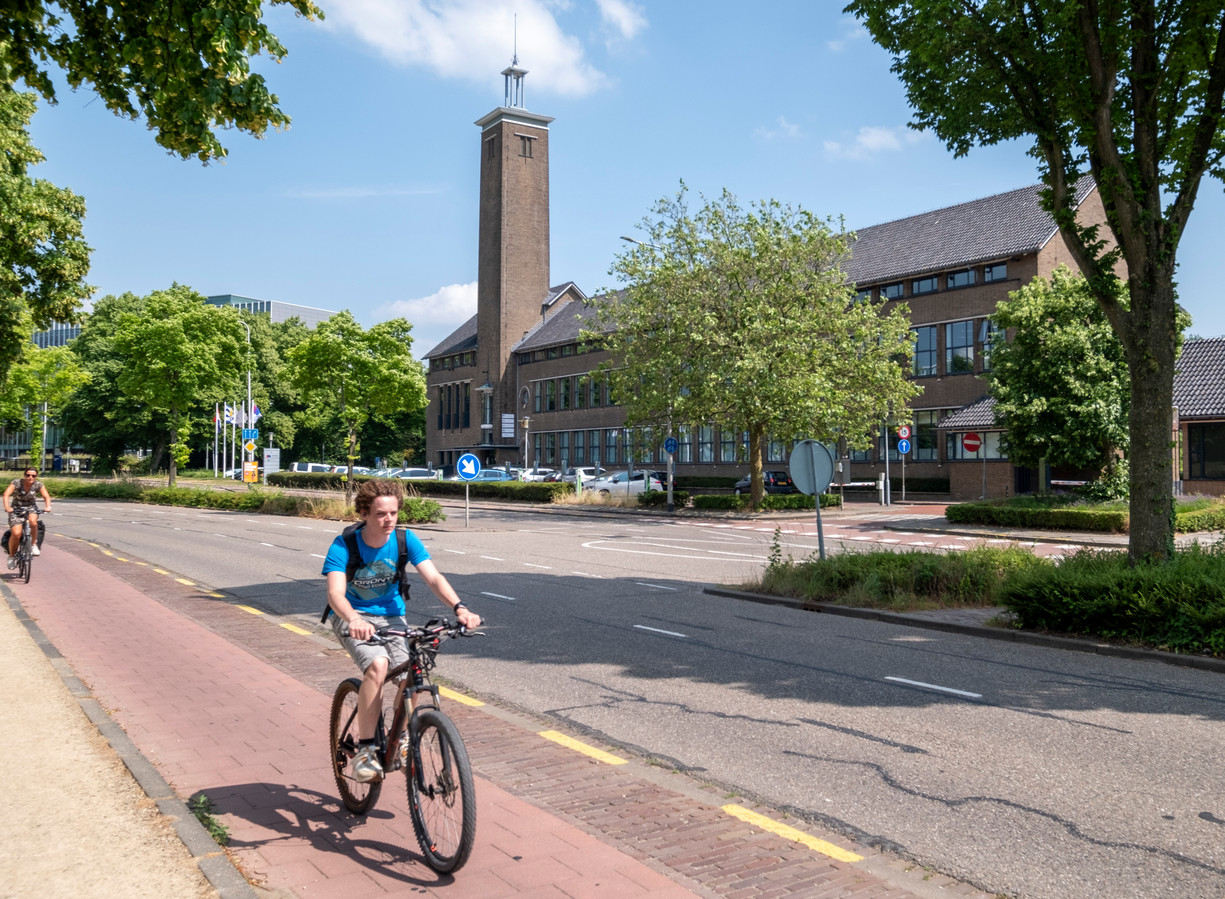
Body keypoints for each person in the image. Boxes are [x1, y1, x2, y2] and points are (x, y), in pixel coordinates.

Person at [323, 478, 480, 783]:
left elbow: (433, 578)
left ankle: (402, 737)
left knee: (413, 671)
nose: (389, 520)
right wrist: (354, 619)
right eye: (381, 514)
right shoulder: (345, 545)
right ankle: (366, 751)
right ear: (364, 513)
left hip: (392, 617)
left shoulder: (405, 540)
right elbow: (335, 594)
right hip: (351, 615)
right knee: (378, 665)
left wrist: (460, 608)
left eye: (393, 513)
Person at [4, 468, 52, 568]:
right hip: (16, 509)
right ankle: (11, 557)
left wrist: (48, 506)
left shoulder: (38, 485)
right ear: (24, 475)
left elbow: (46, 496)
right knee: (16, 534)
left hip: (31, 508)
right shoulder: (16, 483)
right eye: (28, 475)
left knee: (33, 522)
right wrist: (7, 507)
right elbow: (6, 494)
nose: (30, 477)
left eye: (33, 476)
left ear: (36, 477)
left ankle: (33, 545)